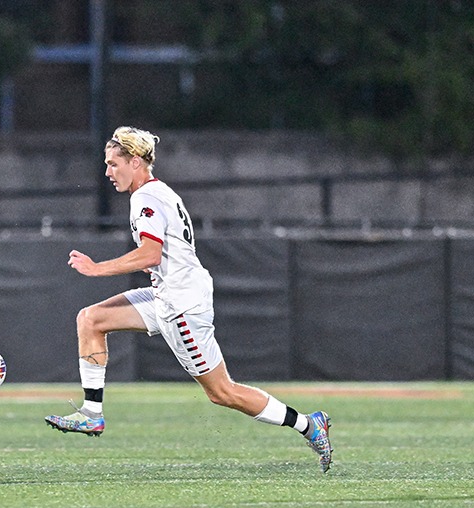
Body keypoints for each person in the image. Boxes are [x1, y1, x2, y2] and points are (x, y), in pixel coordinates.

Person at [45, 126, 333, 473]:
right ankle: (92, 414)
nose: (107, 172)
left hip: (181, 305)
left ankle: (308, 424)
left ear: (135, 161)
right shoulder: (157, 192)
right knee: (90, 319)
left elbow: (151, 254)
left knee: (222, 393)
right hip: (167, 293)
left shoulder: (146, 198)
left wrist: (97, 268)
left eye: (113, 164)